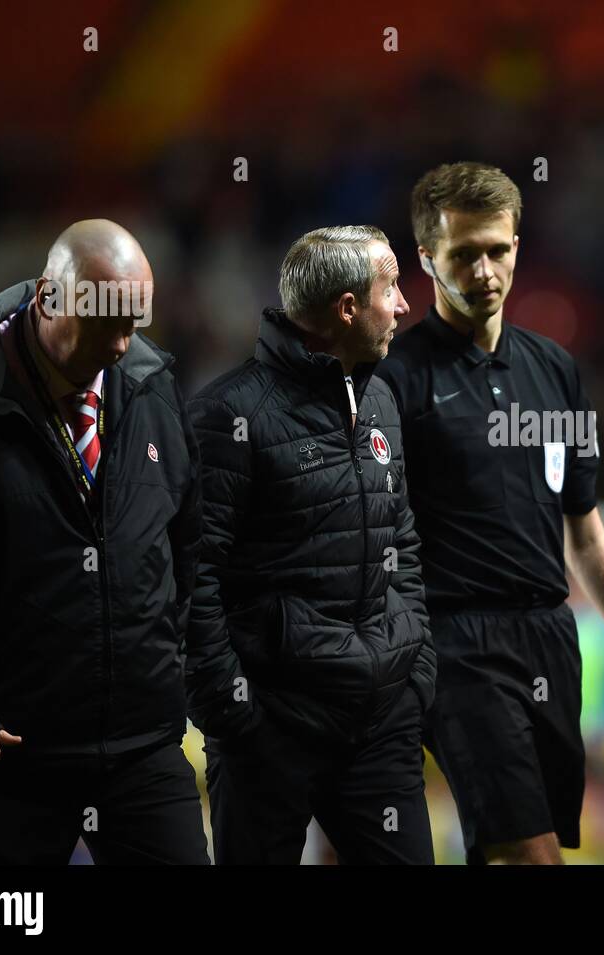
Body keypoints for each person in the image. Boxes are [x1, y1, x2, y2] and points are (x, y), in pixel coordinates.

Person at [377, 161, 604, 865]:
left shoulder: (556, 371)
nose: (486, 269)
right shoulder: (393, 379)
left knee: (505, 850)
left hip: (549, 641)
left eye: (499, 249)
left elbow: (585, 532)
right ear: (427, 259)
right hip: (456, 645)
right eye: (465, 254)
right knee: (535, 855)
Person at [0, 219, 209, 864]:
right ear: (48, 299)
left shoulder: (152, 389)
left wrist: (174, 672)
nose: (123, 346)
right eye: (106, 325)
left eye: (135, 323)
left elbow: (188, 549)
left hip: (139, 748)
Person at [187, 226, 437, 865]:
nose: (406, 304)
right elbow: (193, 579)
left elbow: (401, 539)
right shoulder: (228, 415)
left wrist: (415, 669)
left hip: (380, 718)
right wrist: (233, 713)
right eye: (392, 288)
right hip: (272, 725)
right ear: (347, 309)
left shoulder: (380, 398)